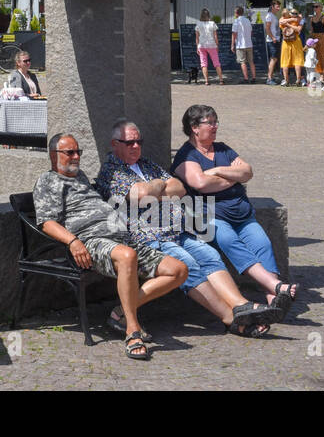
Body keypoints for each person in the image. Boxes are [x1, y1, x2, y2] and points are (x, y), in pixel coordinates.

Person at [95, 120, 278, 337]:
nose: (136, 147)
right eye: (129, 143)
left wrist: (154, 188)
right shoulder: (111, 170)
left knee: (209, 255)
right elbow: (141, 195)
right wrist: (160, 185)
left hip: (177, 231)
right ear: (115, 144)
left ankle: (240, 305)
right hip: (149, 238)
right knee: (188, 263)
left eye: (139, 142)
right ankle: (231, 319)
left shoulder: (146, 164)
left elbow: (179, 188)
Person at [33, 133, 187, 359]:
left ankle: (120, 312)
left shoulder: (80, 176)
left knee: (178, 270)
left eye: (78, 152)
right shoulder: (48, 181)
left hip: (122, 238)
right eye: (69, 153)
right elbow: (46, 222)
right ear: (53, 155)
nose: (76, 157)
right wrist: (73, 242)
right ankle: (132, 331)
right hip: (91, 242)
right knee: (127, 256)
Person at [173, 105, 299, 317]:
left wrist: (218, 170)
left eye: (216, 121)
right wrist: (233, 177)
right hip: (209, 217)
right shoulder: (186, 156)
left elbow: (247, 172)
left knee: (262, 243)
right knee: (230, 241)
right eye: (209, 122)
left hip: (241, 214)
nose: (215, 127)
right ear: (194, 128)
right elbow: (202, 183)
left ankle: (273, 299)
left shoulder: (222, 149)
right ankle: (277, 286)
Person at [194, 8, 223, 86]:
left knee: (204, 64)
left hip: (202, 45)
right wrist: (217, 45)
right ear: (208, 15)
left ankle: (206, 81)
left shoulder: (198, 24)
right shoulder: (212, 23)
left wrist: (197, 47)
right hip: (211, 45)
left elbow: (197, 37)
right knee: (216, 63)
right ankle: (221, 80)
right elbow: (215, 36)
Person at [278, 8, 304, 86]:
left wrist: (288, 24)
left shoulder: (284, 19)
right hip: (296, 41)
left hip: (286, 42)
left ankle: (286, 80)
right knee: (297, 60)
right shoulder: (299, 20)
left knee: (285, 61)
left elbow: (281, 22)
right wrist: (294, 19)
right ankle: (298, 79)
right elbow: (298, 29)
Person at [231, 6, 255, 83]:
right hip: (249, 44)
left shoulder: (236, 21)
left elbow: (234, 34)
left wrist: (232, 45)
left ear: (236, 13)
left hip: (240, 45)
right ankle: (254, 78)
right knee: (251, 61)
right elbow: (251, 32)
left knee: (243, 62)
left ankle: (246, 78)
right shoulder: (248, 20)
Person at [309, 2, 324, 78]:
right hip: (314, 38)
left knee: (323, 57)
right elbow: (311, 30)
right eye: (314, 6)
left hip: (322, 38)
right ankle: (319, 73)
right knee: (316, 56)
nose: (315, 8)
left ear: (321, 8)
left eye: (316, 6)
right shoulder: (312, 18)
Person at [264, 0, 282, 85]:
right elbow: (267, 28)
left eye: (279, 6)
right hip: (272, 41)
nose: (279, 8)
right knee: (273, 59)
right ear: (272, 7)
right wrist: (273, 37)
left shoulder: (273, 16)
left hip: (276, 40)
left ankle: (271, 77)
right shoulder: (269, 16)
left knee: (275, 59)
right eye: (277, 6)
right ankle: (269, 78)